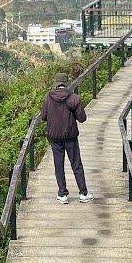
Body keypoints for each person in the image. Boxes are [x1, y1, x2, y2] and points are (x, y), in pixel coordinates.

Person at [40, 73, 92, 204]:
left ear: (56, 84)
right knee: (76, 164)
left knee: (59, 165)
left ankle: (62, 194)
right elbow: (82, 118)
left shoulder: (47, 98)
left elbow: (43, 117)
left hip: (55, 137)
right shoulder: (74, 98)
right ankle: (83, 193)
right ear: (67, 84)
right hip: (70, 136)